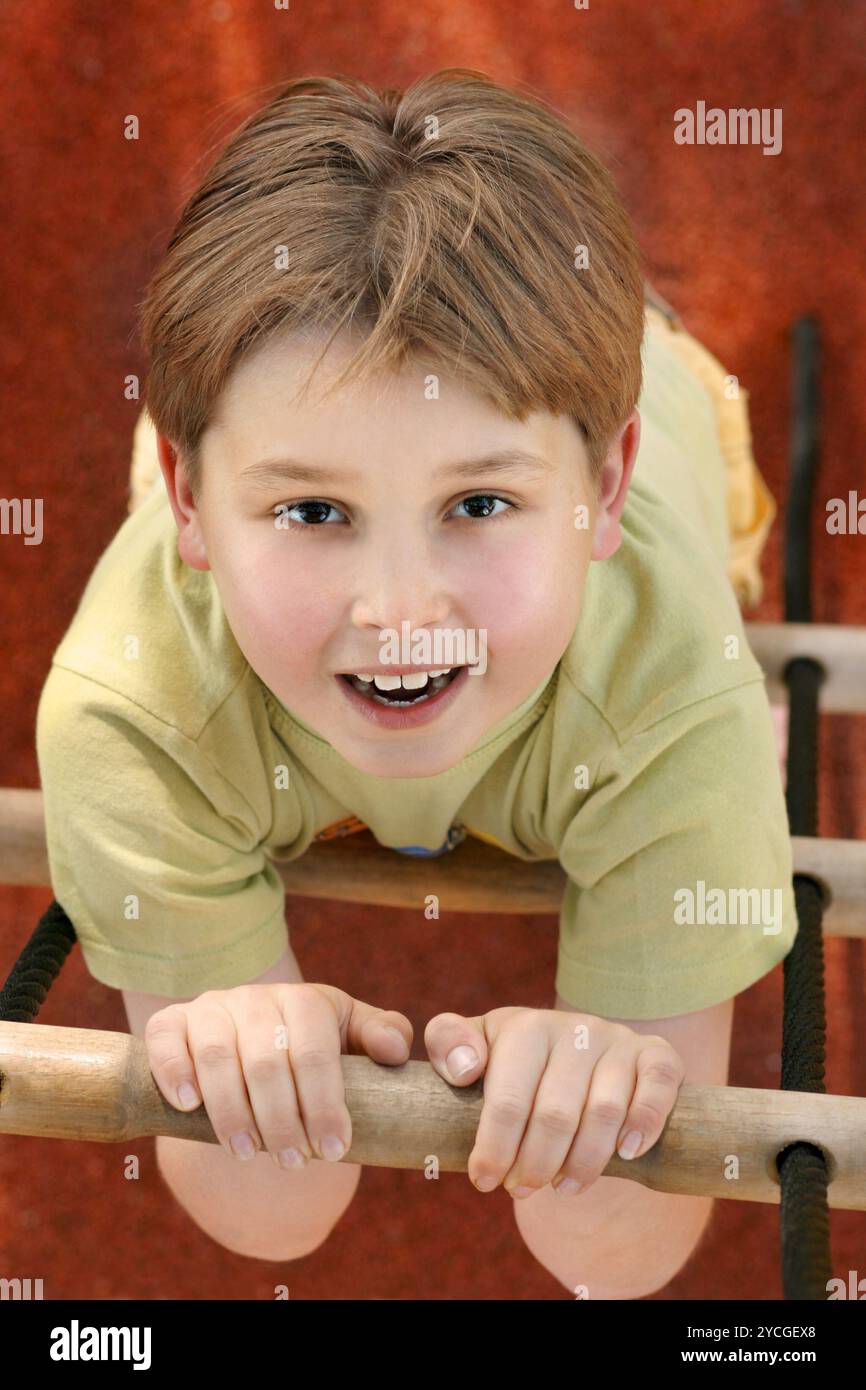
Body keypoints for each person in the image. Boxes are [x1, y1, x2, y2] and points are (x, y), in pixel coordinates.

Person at [35, 68, 796, 1297]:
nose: (397, 611)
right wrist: (232, 1064)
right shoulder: (134, 710)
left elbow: (617, 1263)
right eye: (314, 510)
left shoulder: (668, 698)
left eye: (480, 503)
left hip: (647, 411)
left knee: (712, 668)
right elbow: (274, 1225)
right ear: (186, 499)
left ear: (602, 492)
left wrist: (593, 1121)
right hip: (245, 561)